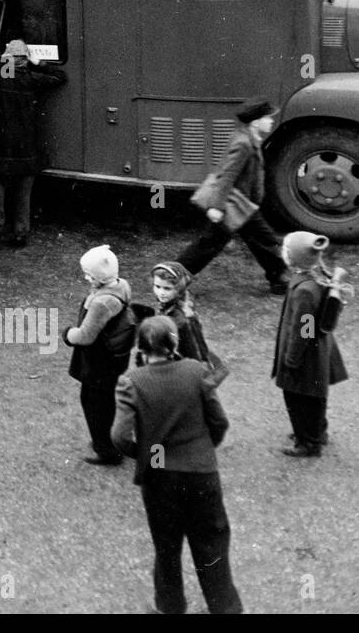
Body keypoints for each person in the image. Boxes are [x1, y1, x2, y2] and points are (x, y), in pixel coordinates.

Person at [110, 317, 243, 615]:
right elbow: (219, 422)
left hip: (160, 477)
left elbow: (119, 437)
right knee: (212, 543)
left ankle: (169, 607)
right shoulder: (196, 371)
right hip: (202, 472)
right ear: (174, 345)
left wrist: (146, 454)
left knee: (167, 546)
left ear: (141, 348)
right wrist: (203, 448)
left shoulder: (131, 381)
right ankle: (226, 609)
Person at [178, 96, 289, 295]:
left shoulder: (248, 137)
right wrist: (216, 207)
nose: (271, 121)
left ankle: (279, 278)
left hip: (243, 204)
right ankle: (173, 276)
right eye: (268, 117)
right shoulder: (243, 143)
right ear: (256, 122)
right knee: (210, 243)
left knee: (264, 239)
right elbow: (226, 176)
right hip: (233, 204)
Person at [0, 39, 67, 250]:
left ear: (7, 58)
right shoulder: (31, 78)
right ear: (24, 60)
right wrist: (39, 62)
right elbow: (60, 76)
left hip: (0, 148)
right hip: (27, 149)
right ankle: (19, 234)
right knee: (23, 195)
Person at [273, 231, 350, 457]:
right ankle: (317, 432)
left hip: (305, 355)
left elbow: (304, 330)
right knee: (315, 395)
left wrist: (292, 358)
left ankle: (307, 441)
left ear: (293, 259)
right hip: (318, 351)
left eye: (286, 250)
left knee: (298, 397)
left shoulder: (305, 291)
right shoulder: (317, 276)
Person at [63, 245, 134, 466]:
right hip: (114, 359)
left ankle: (106, 449)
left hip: (98, 361)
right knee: (108, 400)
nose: (86, 277)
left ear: (101, 277)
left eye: (89, 275)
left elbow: (85, 336)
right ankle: (118, 440)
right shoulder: (121, 286)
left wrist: (67, 334)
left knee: (93, 403)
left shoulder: (102, 303)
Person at [149, 261, 215, 364]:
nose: (161, 293)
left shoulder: (180, 320)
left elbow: (193, 352)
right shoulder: (176, 303)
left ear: (179, 288)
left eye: (167, 288)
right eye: (157, 286)